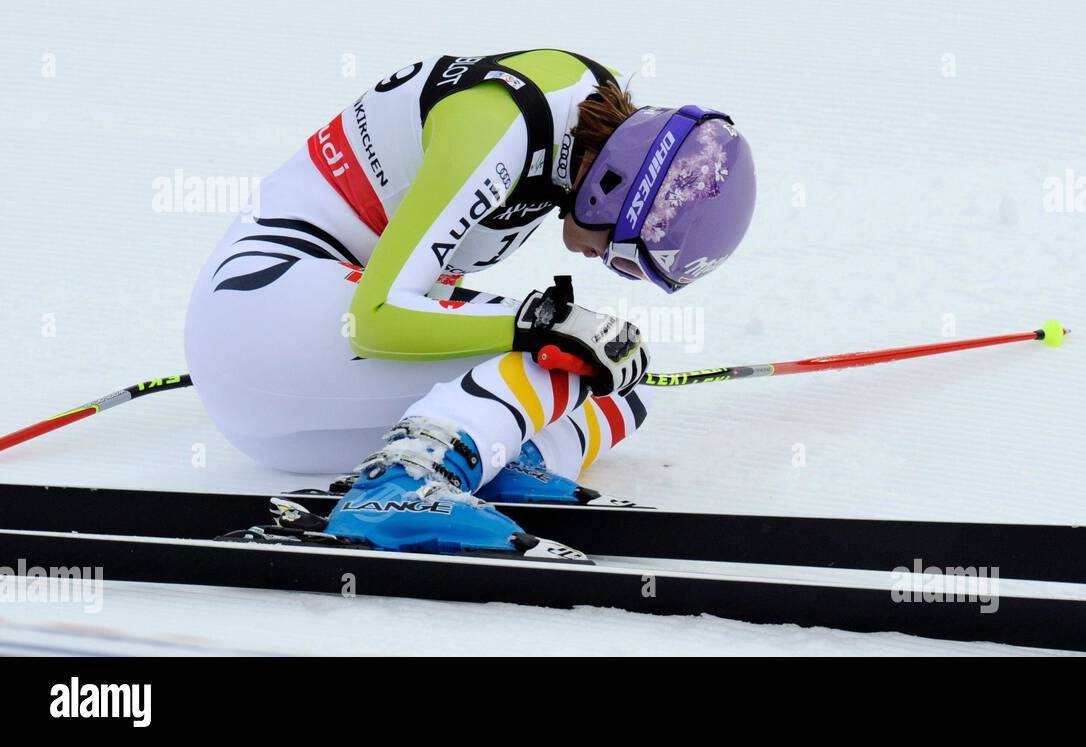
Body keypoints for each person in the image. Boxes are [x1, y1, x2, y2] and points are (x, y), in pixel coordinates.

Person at [185, 49, 756, 558]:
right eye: (624, 255)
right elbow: (375, 319)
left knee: (614, 382)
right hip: (262, 314)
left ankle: (489, 458)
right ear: (611, 183)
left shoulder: (578, 133)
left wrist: (549, 332)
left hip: (292, 403)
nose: (606, 263)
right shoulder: (501, 129)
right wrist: (537, 323)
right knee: (556, 350)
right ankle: (401, 488)